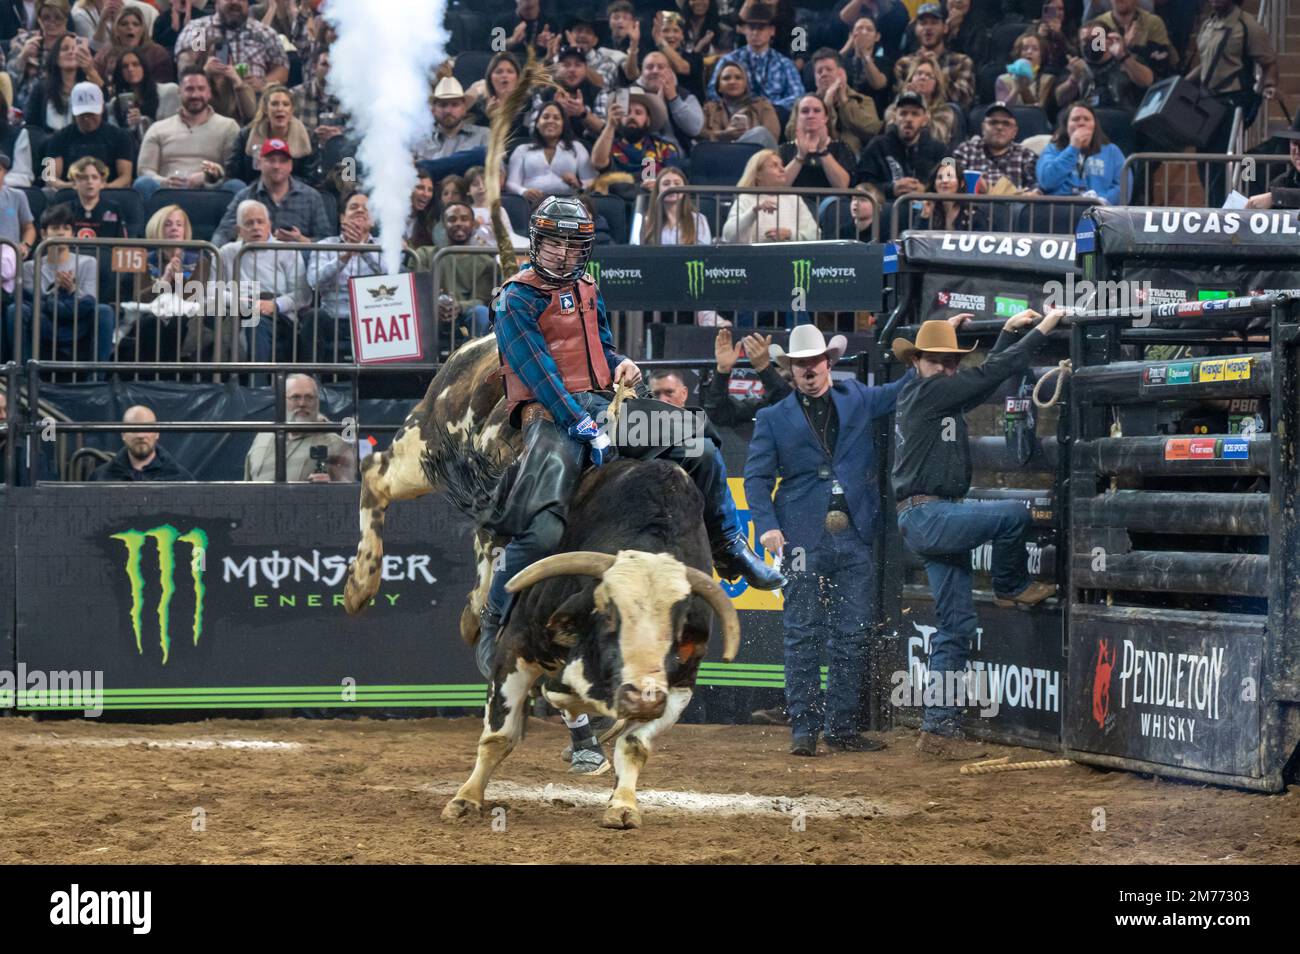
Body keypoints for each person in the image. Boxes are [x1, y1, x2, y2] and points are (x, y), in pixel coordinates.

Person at [477, 195, 783, 769]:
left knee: (700, 444)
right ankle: (496, 623)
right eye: (553, 242)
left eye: (572, 244)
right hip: (551, 418)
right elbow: (541, 374)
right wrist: (580, 422)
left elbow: (602, 346)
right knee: (542, 528)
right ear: (537, 241)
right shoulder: (515, 299)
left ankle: (730, 546)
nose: (563, 253)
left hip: (608, 406)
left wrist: (624, 364)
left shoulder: (589, 284)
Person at [892, 309, 1064, 759]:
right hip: (931, 516)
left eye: (952, 361)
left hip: (928, 517)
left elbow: (983, 379)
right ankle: (1010, 585)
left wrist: (1006, 335)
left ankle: (938, 730)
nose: (946, 368)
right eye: (937, 361)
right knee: (1011, 515)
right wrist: (1043, 330)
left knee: (956, 624)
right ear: (917, 362)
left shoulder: (926, 394)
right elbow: (991, 374)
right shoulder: (929, 393)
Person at [745, 324, 913, 757]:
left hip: (852, 534)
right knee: (802, 630)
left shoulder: (856, 396)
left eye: (814, 362)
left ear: (828, 363)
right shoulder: (773, 417)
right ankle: (804, 727)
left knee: (852, 631)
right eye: (800, 364)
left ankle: (840, 726)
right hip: (801, 538)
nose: (808, 371)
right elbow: (757, 478)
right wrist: (766, 524)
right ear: (792, 370)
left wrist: (929, 353)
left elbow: (900, 390)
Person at [1187, 0, 1277, 208]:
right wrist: (1178, 84)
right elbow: (1206, 64)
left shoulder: (1247, 25)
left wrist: (1267, 86)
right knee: (1204, 163)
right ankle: (1213, 208)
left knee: (1221, 166)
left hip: (1231, 104)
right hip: (1207, 103)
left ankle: (1221, 212)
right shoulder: (1208, 24)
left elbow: (1269, 63)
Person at [6, 203, 114, 362]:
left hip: (78, 320)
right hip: (44, 322)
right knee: (16, 310)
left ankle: (96, 378)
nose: (61, 232)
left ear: (72, 233)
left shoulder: (88, 262)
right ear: (43, 233)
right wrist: (56, 290)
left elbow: (89, 302)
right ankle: (24, 375)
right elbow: (32, 303)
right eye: (55, 228)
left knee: (104, 311)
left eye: (66, 228)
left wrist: (71, 289)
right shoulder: (30, 267)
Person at [218, 198, 306, 362]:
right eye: (249, 223)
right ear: (239, 230)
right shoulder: (226, 252)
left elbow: (303, 295)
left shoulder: (288, 251)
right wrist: (243, 303)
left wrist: (275, 305)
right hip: (236, 310)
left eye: (260, 222)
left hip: (278, 315)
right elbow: (213, 291)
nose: (256, 227)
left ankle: (257, 387)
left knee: (256, 322)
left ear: (269, 225)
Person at [134, 67, 241, 199]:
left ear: (209, 93)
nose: (195, 95)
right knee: (143, 184)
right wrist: (164, 182)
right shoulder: (158, 128)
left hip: (210, 194)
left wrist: (208, 177)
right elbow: (144, 170)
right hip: (168, 193)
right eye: (189, 89)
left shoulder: (228, 126)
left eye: (201, 89)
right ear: (179, 92)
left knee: (236, 185)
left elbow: (232, 171)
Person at [302, 190, 382, 362]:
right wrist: (344, 256)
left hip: (372, 319)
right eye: (354, 207)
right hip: (334, 319)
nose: (360, 210)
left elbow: (392, 276)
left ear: (373, 220)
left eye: (366, 208)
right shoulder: (325, 245)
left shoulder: (383, 246)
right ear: (342, 218)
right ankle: (310, 381)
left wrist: (363, 249)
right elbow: (313, 282)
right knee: (313, 317)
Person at [211, 137, 331, 246]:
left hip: (299, 262)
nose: (277, 166)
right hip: (255, 260)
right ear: (259, 163)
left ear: (290, 165)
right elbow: (223, 233)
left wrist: (301, 240)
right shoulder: (245, 196)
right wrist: (211, 257)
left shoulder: (311, 197)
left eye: (283, 161)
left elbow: (326, 240)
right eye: (271, 160)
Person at [244, 373, 355, 482]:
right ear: (282, 400)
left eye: (309, 398)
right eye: (295, 397)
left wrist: (333, 487)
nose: (302, 403)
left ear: (317, 402)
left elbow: (350, 492)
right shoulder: (263, 436)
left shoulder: (335, 444)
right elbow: (246, 486)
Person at [705, 1, 804, 115]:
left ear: (772, 30)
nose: (755, 32)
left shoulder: (784, 63)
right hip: (736, 116)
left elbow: (798, 95)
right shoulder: (728, 61)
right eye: (751, 28)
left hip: (774, 116)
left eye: (761, 28)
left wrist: (769, 108)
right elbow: (712, 93)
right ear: (744, 29)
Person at [174, 0, 289, 91]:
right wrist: (204, 71)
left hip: (254, 99)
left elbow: (281, 68)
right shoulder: (200, 29)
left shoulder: (263, 32)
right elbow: (187, 65)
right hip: (210, 99)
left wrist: (263, 83)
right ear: (216, 2)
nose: (235, 2)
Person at [856, 90, 947, 203]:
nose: (908, 119)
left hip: (926, 215)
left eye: (915, 114)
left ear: (925, 120)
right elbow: (861, 183)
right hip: (885, 214)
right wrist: (891, 189)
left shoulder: (940, 150)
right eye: (903, 113)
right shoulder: (877, 146)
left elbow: (951, 183)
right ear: (894, 117)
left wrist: (925, 191)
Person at [43, 81, 134, 189]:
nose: (87, 119)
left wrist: (105, 187)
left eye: (91, 114)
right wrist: (70, 186)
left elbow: (125, 177)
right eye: (82, 114)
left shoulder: (120, 137)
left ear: (102, 108)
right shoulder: (58, 138)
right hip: (70, 192)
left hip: (109, 192)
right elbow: (49, 177)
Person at [225, 82, 320, 186]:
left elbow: (311, 179)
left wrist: (279, 182)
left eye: (285, 104)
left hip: (295, 193)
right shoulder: (246, 135)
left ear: (292, 110)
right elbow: (233, 173)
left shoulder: (309, 137)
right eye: (274, 104)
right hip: (253, 192)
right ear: (266, 109)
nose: (280, 109)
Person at [426, 200, 495, 340]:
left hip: (466, 317)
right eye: (452, 219)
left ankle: (474, 360)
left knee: (481, 312)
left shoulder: (487, 262)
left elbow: (482, 300)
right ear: (444, 225)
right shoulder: (425, 255)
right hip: (432, 316)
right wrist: (435, 305)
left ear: (473, 224)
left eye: (464, 219)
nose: (458, 223)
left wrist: (459, 306)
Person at [720, 148, 819, 244]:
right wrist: (753, 211)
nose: (782, 170)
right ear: (758, 174)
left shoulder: (794, 199)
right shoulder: (745, 198)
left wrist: (790, 234)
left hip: (791, 256)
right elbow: (728, 235)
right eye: (775, 166)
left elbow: (815, 234)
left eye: (782, 165)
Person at [506, 101, 596, 205]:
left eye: (556, 118)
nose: (550, 121)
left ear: (564, 124)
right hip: (530, 205)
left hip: (569, 204)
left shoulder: (577, 148)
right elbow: (511, 183)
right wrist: (523, 192)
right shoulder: (522, 149)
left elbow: (592, 181)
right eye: (545, 117)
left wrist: (578, 183)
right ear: (537, 124)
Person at [1037, 103, 1126, 205]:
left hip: (1101, 212)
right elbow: (1046, 181)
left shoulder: (1112, 151)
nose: (1081, 123)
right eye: (1076, 119)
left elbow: (1123, 187)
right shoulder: (1052, 149)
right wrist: (1073, 148)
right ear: (1066, 126)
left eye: (1087, 119)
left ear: (1095, 126)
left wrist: (1100, 200)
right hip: (1061, 210)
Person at [590, 87, 679, 188]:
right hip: (618, 199)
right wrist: (610, 125)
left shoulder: (664, 148)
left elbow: (674, 181)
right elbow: (598, 162)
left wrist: (659, 184)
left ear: (648, 120)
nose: (632, 117)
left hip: (651, 200)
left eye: (638, 113)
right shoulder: (609, 146)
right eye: (627, 112)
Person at [703, 327, 791, 427]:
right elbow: (719, 414)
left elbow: (790, 406)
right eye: (777, 367)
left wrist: (764, 368)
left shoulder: (803, 402)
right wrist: (722, 372)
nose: (783, 374)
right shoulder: (764, 406)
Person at [893, 3, 974, 109]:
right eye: (923, 23)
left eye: (934, 23)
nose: (928, 28)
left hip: (946, 116)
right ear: (916, 29)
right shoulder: (904, 64)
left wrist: (935, 72)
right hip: (911, 115)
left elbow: (964, 99)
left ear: (945, 28)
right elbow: (897, 98)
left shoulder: (961, 62)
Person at [527, 44, 608, 145]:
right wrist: (555, 110)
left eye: (578, 65)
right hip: (548, 149)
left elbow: (604, 132)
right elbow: (532, 131)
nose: (572, 70)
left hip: (587, 151)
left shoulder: (597, 92)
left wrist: (583, 113)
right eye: (566, 65)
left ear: (586, 68)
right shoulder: (544, 93)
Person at [952, 102, 1040, 193]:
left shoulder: (1026, 155)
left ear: (1015, 131)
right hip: (972, 205)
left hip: (1013, 206)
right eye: (993, 122)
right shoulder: (966, 150)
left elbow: (1036, 186)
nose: (999, 127)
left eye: (1006, 123)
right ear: (983, 128)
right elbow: (952, 181)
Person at [91, 405, 196, 481]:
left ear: (157, 433)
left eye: (147, 428)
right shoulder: (100, 478)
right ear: (123, 434)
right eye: (133, 429)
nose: (140, 435)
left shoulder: (180, 479)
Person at [806, 48, 879, 156]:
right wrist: (826, 106)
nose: (824, 74)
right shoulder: (804, 104)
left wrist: (844, 100)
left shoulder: (863, 101)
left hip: (854, 159)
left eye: (829, 69)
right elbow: (793, 133)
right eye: (819, 71)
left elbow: (872, 129)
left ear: (841, 73)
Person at [25, 33, 103, 134]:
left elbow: (103, 104)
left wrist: (90, 70)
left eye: (75, 49)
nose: (71, 52)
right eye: (65, 49)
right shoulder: (40, 89)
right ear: (55, 57)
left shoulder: (88, 87)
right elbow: (31, 126)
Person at [777, 92, 855, 191]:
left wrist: (823, 151)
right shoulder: (784, 149)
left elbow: (843, 186)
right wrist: (800, 157)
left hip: (832, 204)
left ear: (826, 117)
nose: (811, 115)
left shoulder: (841, 148)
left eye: (817, 111)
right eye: (805, 111)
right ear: (797, 118)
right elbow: (778, 186)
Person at [107, 49, 180, 152]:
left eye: (136, 64)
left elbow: (173, 130)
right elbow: (113, 137)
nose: (130, 69)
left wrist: (143, 121)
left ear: (144, 67)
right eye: (125, 66)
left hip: (164, 151)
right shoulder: (114, 103)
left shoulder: (169, 91)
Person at [698, 60, 780, 149]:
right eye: (726, 78)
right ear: (719, 87)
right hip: (721, 155)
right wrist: (723, 135)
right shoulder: (709, 108)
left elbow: (771, 136)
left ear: (745, 84)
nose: (732, 82)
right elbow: (699, 134)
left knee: (761, 132)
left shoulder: (762, 105)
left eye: (738, 78)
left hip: (757, 157)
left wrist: (749, 135)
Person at [7, 0, 73, 109]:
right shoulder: (22, 42)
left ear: (66, 19)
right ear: (39, 19)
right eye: (46, 18)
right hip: (25, 104)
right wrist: (23, 57)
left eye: (58, 17)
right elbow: (9, 82)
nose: (52, 22)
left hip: (64, 103)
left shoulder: (74, 45)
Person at [637, 50, 703, 154]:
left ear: (670, 72)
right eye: (649, 67)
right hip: (641, 156)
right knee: (649, 167)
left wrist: (673, 98)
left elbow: (694, 129)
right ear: (642, 73)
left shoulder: (684, 95)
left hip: (677, 158)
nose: (655, 71)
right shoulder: (632, 96)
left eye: (661, 67)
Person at [413, 76, 490, 163]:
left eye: (455, 104)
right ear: (433, 110)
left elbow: (498, 169)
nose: (448, 111)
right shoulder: (419, 141)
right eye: (443, 105)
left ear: (464, 108)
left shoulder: (484, 136)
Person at [884, 51, 955, 146]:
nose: (922, 78)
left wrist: (921, 101)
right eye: (918, 74)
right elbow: (891, 134)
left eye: (929, 76)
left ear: (936, 86)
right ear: (910, 79)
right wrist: (907, 96)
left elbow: (937, 138)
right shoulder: (894, 108)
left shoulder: (945, 112)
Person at [92, 5, 173, 83]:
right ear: (116, 31)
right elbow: (93, 81)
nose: (130, 27)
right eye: (124, 24)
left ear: (142, 30)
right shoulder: (105, 54)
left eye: (135, 24)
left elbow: (164, 86)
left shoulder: (157, 54)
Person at [841, 15, 895, 120]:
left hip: (874, 118)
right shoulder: (843, 61)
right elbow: (830, 63)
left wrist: (865, 55)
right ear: (851, 35)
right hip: (845, 117)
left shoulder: (884, 61)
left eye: (869, 29)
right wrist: (849, 45)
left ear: (877, 36)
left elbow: (879, 84)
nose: (864, 33)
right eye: (859, 29)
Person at [1245, 113, 1300, 210]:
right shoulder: (1281, 182)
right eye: (1294, 143)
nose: (1297, 151)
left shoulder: (1277, 193)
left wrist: (1276, 198)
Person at [996, 32, 1056, 110]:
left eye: (1035, 49)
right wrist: (1016, 89)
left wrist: (1024, 89)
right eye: (1025, 48)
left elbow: (1039, 112)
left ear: (1042, 56)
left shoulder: (1047, 79)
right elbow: (1000, 110)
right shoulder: (1002, 79)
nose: (1029, 52)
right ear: (1018, 53)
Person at [0, 152, 35, 256]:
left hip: (9, 259)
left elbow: (29, 228)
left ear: (4, 172)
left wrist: (25, 246)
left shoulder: (18, 196)